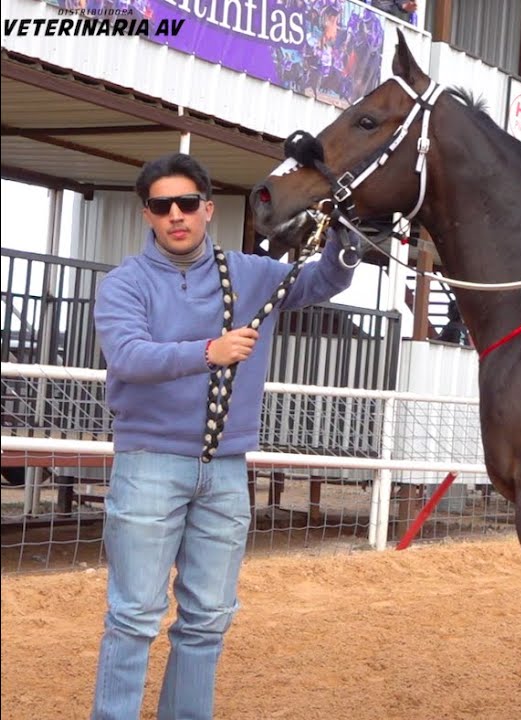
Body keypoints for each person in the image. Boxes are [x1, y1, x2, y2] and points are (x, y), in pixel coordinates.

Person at [90, 153, 355, 719]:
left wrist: (345, 238)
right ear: (148, 216)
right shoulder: (124, 284)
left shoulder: (251, 274)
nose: (176, 215)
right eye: (163, 206)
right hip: (149, 464)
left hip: (226, 469)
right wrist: (209, 352)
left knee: (208, 618)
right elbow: (129, 356)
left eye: (187, 203)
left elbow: (321, 282)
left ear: (207, 209)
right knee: (134, 616)